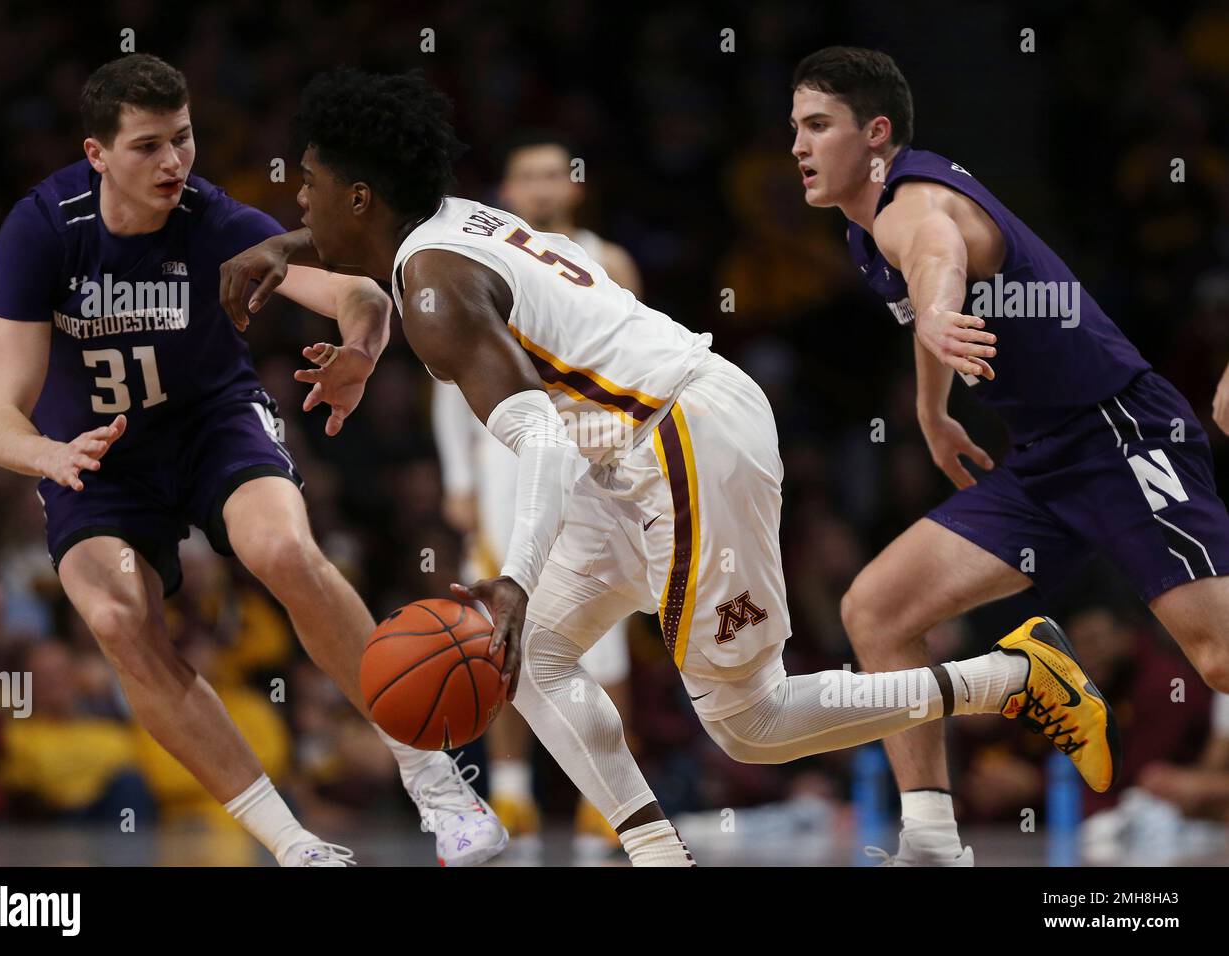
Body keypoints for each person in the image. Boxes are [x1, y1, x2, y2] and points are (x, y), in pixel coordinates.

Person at [222, 67, 1118, 867]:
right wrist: (288, 247)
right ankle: (657, 854)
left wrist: (511, 579)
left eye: (309, 185)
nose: (298, 202)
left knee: (748, 724)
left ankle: (1013, 678)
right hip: (640, 445)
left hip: (682, 437)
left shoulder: (435, 291)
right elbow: (373, 252)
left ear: (362, 194)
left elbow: (538, 443)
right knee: (528, 660)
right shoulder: (444, 231)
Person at [0, 53, 505, 867]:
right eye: (148, 145)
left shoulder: (212, 217)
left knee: (283, 548)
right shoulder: (43, 230)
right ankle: (293, 843)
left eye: (182, 139)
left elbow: (359, 292)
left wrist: (362, 346)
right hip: (94, 454)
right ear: (96, 154)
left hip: (210, 422)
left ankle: (437, 787)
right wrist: (48, 453)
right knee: (118, 619)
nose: (173, 162)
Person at [788, 45, 1229, 864]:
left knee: (1220, 660)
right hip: (1047, 455)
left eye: (818, 126)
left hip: (1122, 431)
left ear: (876, 134)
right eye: (794, 129)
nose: (798, 147)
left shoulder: (912, 205)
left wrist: (936, 312)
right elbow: (924, 293)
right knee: (876, 612)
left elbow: (936, 259)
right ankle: (931, 844)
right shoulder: (867, 224)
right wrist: (931, 409)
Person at [431, 132, 642, 854]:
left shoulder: (610, 263)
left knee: (606, 648)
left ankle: (608, 798)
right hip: (504, 464)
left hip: (591, 466)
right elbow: (449, 377)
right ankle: (511, 793)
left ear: (575, 187)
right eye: (530, 176)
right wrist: (457, 479)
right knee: (500, 631)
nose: (546, 187)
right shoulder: (475, 258)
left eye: (558, 174)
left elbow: (636, 367)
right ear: (507, 194)